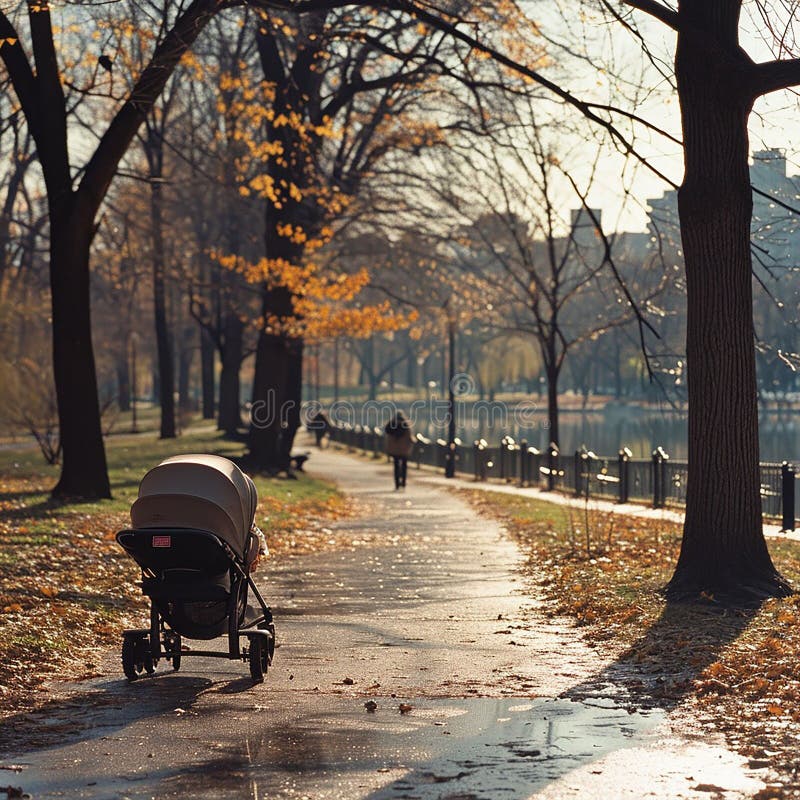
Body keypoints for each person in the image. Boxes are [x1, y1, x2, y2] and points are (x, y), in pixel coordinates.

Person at [384, 411, 414, 490]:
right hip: (404, 449)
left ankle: (397, 484)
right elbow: (410, 437)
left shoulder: (391, 425)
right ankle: (403, 483)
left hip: (394, 450)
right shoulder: (406, 425)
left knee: (396, 466)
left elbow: (388, 436)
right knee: (404, 466)